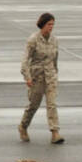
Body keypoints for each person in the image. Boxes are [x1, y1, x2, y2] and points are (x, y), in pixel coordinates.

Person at [20, 12, 63, 145]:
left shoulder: (54, 40)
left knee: (52, 104)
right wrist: (27, 77)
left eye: (53, 24)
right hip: (36, 77)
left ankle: (55, 132)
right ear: (42, 25)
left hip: (50, 77)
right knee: (33, 105)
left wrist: (55, 73)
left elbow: (55, 59)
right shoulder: (33, 40)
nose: (51, 27)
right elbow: (25, 60)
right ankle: (23, 126)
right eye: (49, 24)